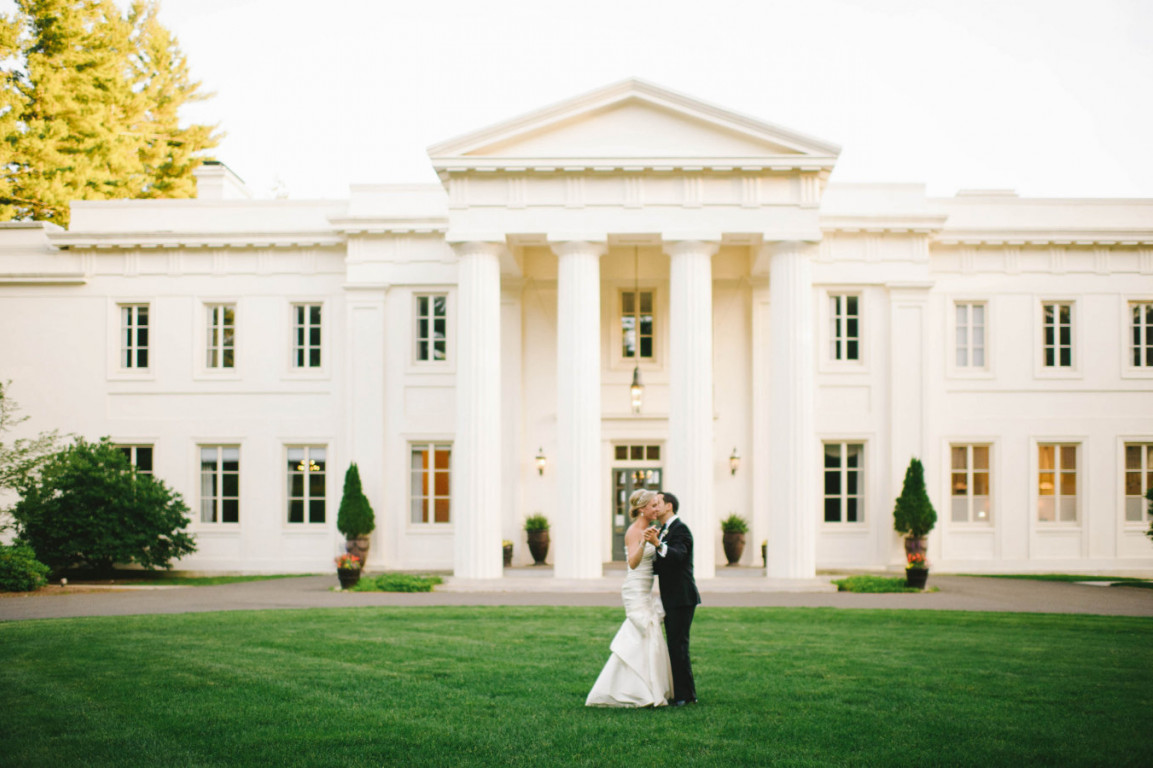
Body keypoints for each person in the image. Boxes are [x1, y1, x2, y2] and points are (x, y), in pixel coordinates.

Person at [585, 489, 673, 707]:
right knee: (640, 631)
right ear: (642, 509)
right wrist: (645, 543)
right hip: (635, 589)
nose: (656, 508)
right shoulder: (634, 531)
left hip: (645, 587)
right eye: (653, 505)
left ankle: (647, 687)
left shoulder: (651, 529)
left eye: (657, 504)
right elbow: (633, 563)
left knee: (647, 635)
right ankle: (622, 689)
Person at [643, 491, 700, 706]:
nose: (654, 508)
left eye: (658, 504)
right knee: (674, 646)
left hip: (682, 597)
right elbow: (661, 564)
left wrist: (658, 544)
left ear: (669, 506)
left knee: (679, 646)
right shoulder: (665, 530)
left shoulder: (680, 529)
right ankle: (681, 693)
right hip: (671, 597)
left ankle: (687, 696)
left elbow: (678, 556)